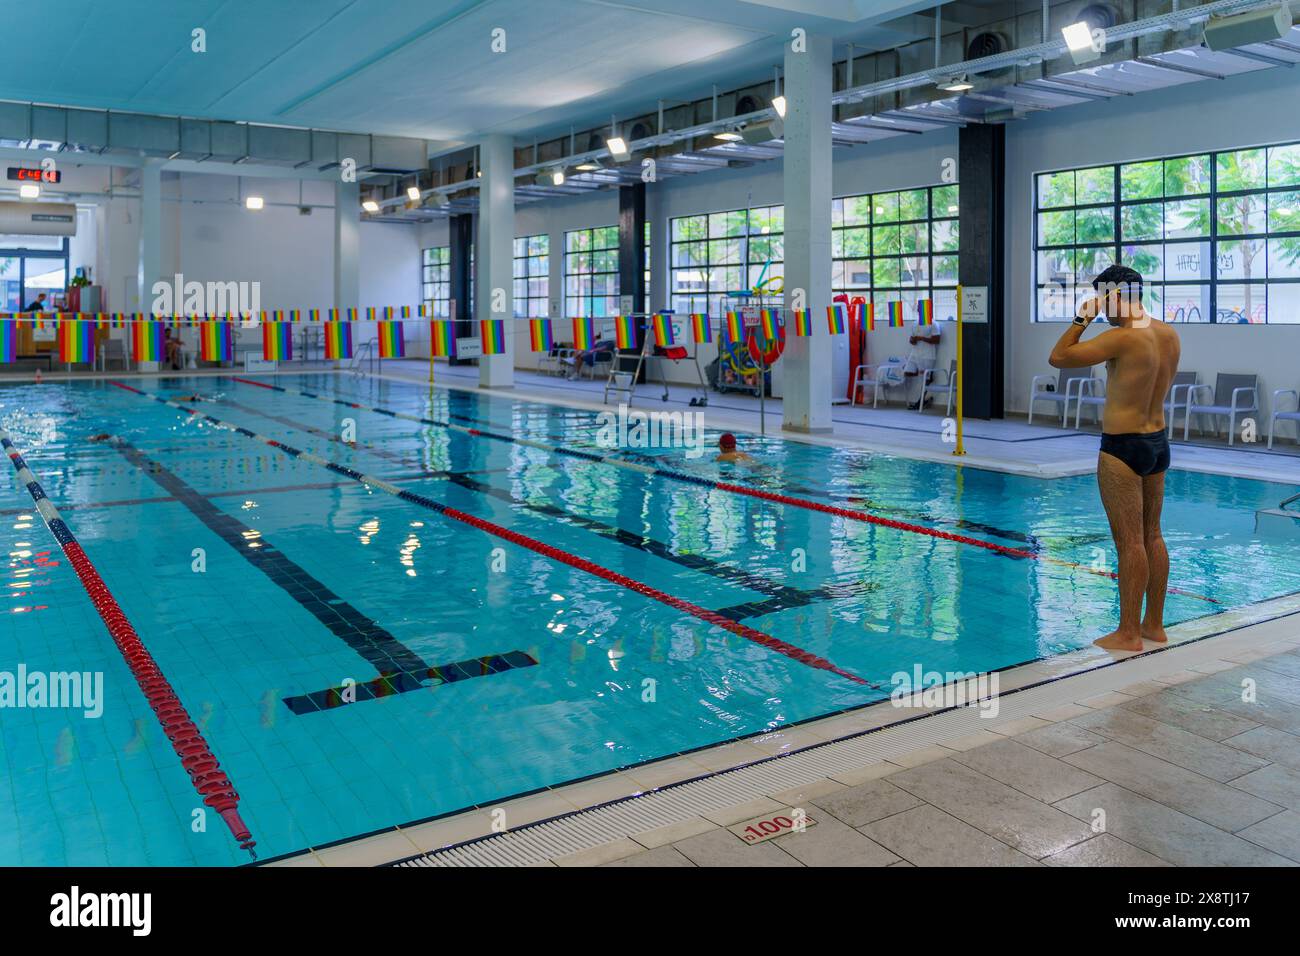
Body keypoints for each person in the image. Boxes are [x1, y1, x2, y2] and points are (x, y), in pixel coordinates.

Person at [1049, 264, 1180, 652]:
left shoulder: (1122, 338)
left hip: (1123, 447)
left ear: (1114, 295)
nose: (1100, 309)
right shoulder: (1168, 334)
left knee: (1130, 543)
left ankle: (1127, 633)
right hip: (1157, 443)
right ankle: (1153, 625)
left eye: (1102, 299)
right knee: (1153, 534)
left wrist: (1081, 319)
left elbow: (1058, 357)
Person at [904, 322, 942, 409]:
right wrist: (913, 340)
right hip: (914, 354)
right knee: (907, 372)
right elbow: (911, 340)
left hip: (927, 356)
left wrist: (921, 338)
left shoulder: (934, 324)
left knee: (924, 379)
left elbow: (936, 340)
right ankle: (929, 377)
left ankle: (920, 402)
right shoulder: (914, 323)